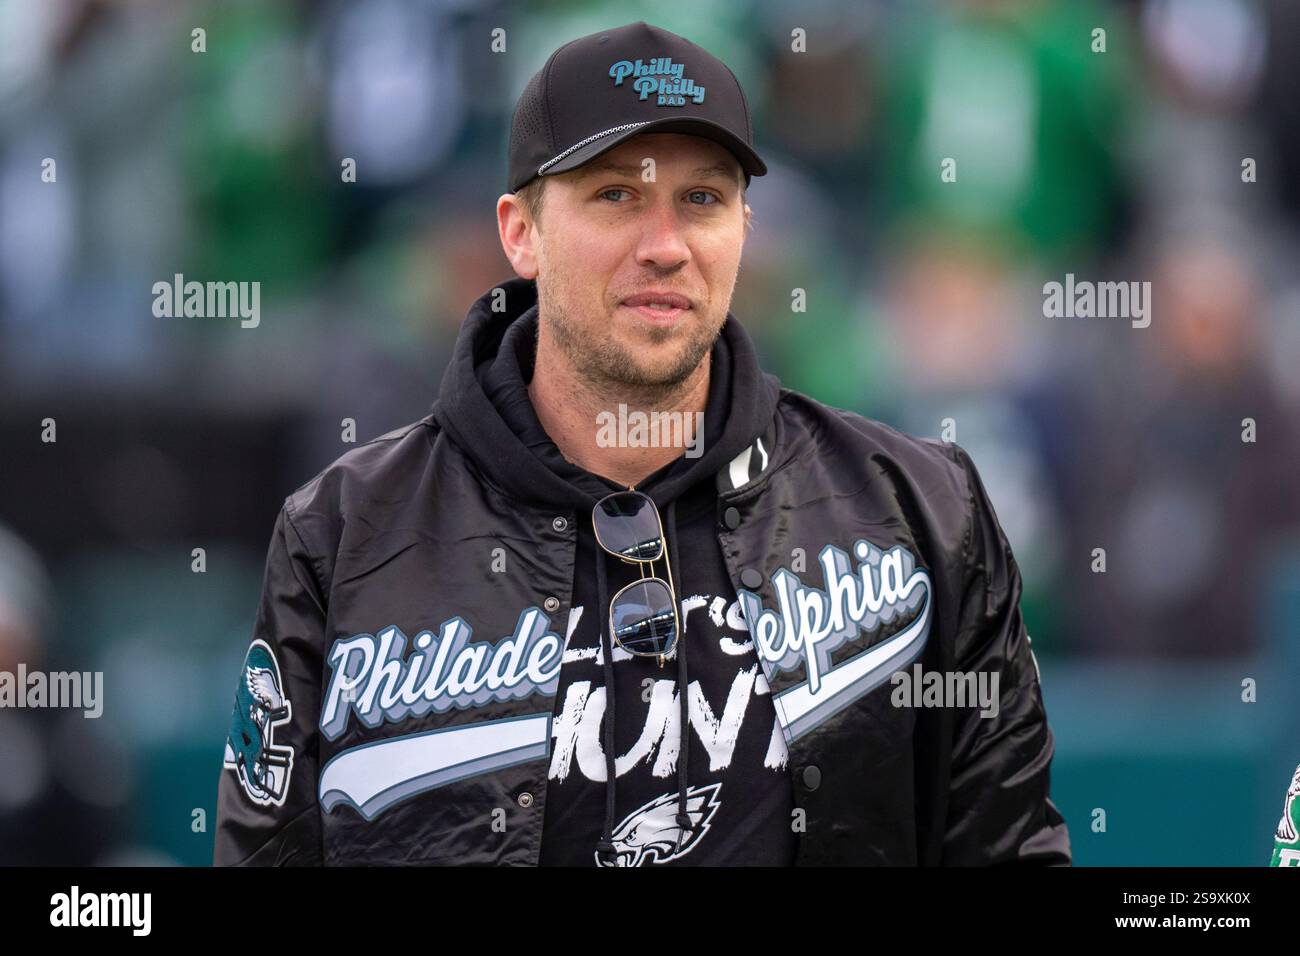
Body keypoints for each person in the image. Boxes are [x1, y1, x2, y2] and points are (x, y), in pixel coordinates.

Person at [213, 20, 1069, 867]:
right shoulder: (344, 531)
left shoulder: (921, 508)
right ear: (521, 233)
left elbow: (1014, 848)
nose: (664, 248)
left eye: (702, 199)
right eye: (616, 195)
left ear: (744, 229)